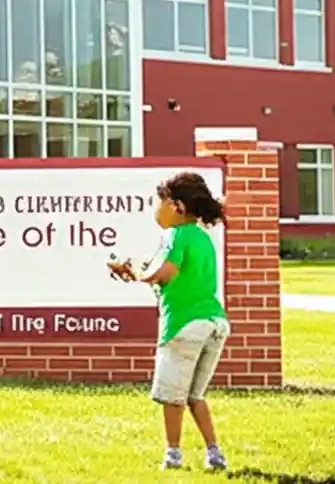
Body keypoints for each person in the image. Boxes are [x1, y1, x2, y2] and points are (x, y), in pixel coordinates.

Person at [108, 171, 230, 472]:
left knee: (170, 396)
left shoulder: (173, 235)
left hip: (183, 325)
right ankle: (214, 453)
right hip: (215, 322)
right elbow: (167, 271)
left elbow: (165, 273)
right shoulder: (202, 237)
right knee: (195, 395)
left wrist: (132, 273)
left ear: (176, 206)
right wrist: (139, 271)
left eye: (158, 203)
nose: (155, 209)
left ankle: (172, 455)